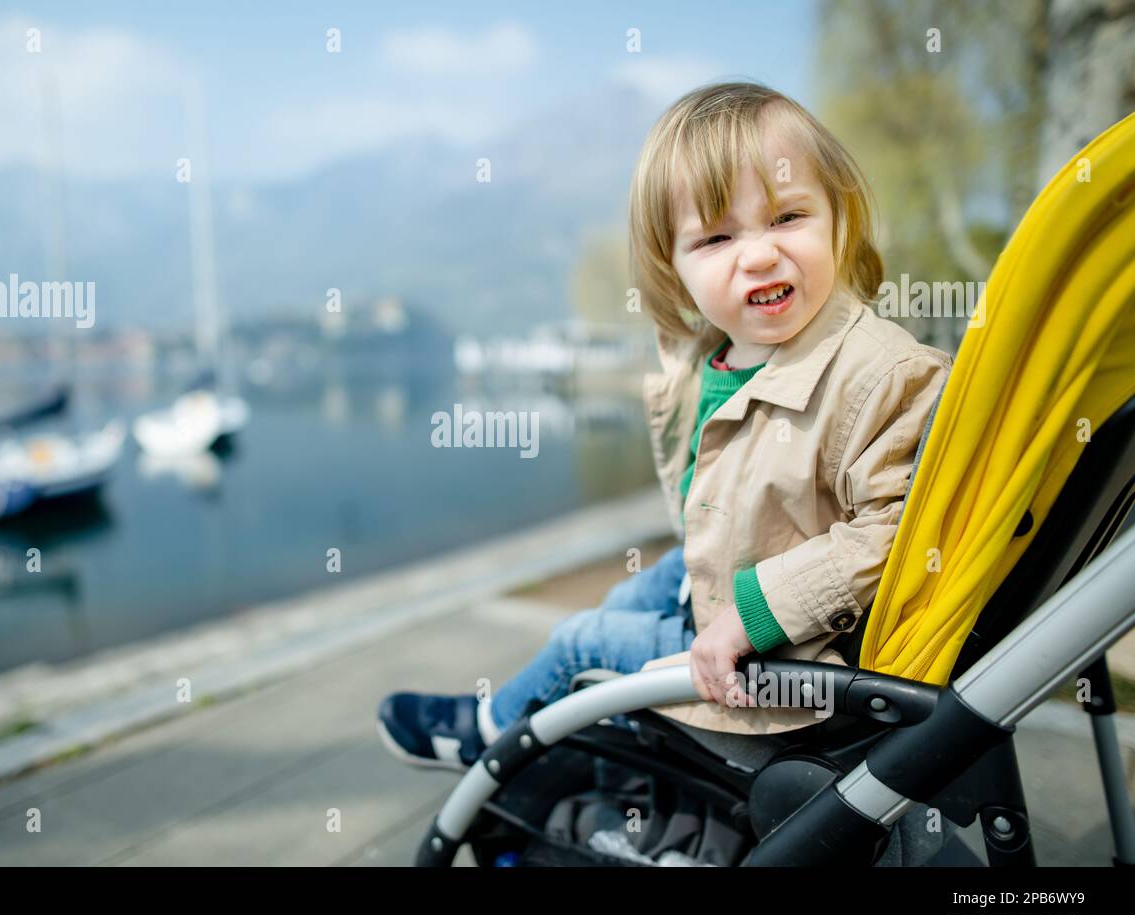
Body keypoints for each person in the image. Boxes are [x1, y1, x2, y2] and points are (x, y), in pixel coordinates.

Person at [377, 81, 952, 771]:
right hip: (728, 578)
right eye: (715, 238)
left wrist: (756, 615)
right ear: (674, 269)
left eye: (788, 217)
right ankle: (580, 726)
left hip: (791, 663)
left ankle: (487, 732)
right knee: (631, 592)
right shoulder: (719, 352)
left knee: (579, 641)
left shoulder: (879, 373)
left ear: (839, 217)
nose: (760, 254)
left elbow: (900, 531)